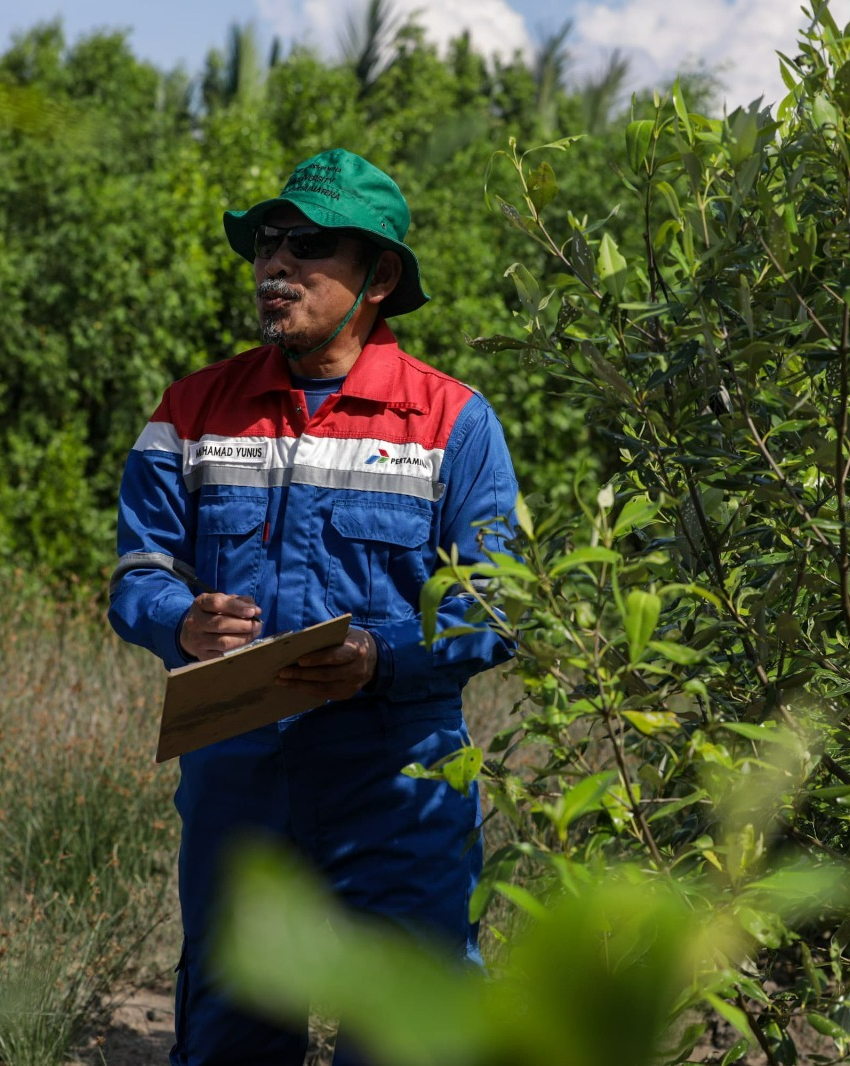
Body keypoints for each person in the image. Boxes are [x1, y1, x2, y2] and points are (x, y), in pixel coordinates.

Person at [107, 147, 520, 1066]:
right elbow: (137, 569)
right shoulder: (192, 410)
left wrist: (384, 658)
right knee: (231, 1034)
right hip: (240, 783)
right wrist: (177, 617)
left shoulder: (454, 422)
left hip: (396, 789)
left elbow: (498, 607)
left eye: (307, 246)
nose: (275, 265)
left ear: (378, 277)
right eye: (266, 245)